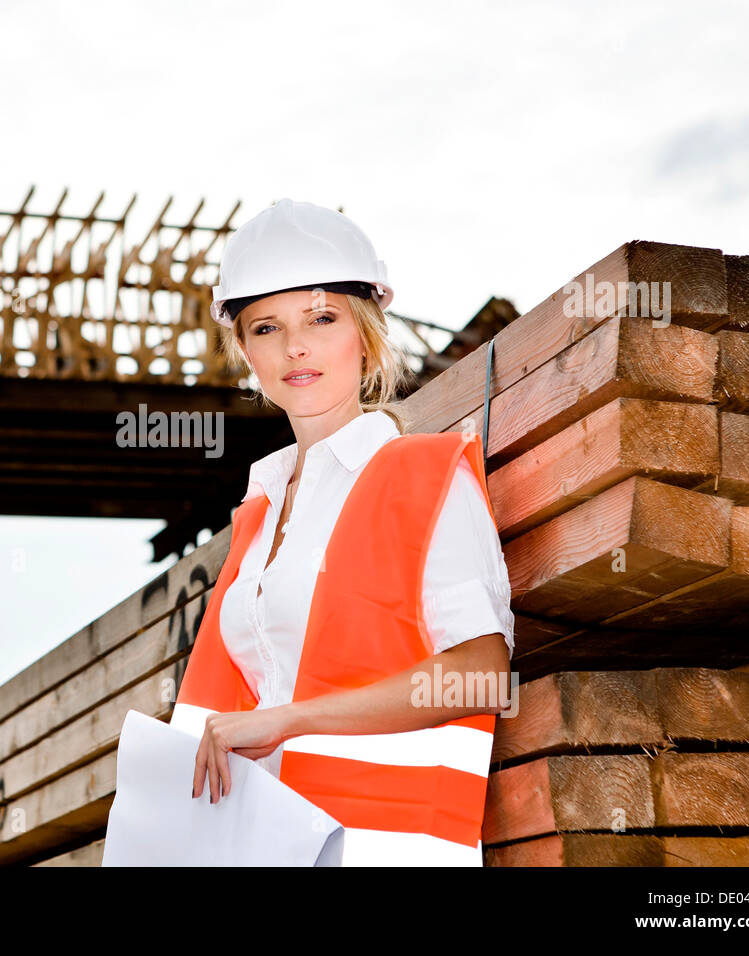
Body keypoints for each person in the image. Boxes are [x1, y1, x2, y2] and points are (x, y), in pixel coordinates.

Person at [170, 197, 515, 866]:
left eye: (321, 318)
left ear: (365, 331)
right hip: (259, 850)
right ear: (244, 349)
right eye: (266, 328)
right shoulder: (260, 513)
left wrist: (295, 719)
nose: (295, 347)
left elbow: (482, 677)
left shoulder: (422, 474)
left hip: (383, 852)